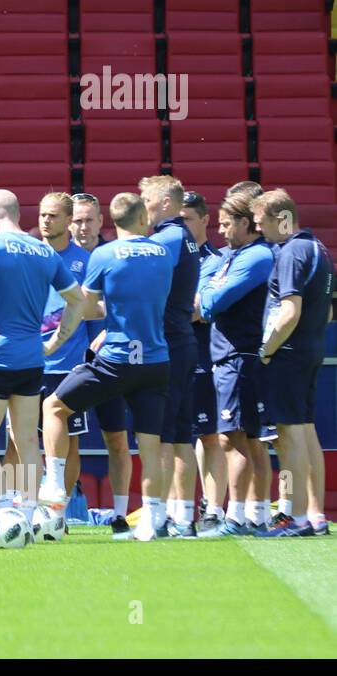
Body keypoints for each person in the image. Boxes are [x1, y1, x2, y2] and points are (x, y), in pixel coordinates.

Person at [41, 194, 175, 541]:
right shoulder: (163, 252)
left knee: (53, 406)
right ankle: (152, 520)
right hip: (156, 359)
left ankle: (54, 485)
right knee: (149, 444)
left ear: (110, 221)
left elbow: (86, 309)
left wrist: (103, 312)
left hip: (115, 359)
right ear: (144, 217)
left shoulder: (103, 255)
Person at [0, 190, 83, 540]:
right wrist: (55, 342)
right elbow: (76, 300)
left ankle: (3, 514)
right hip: (32, 359)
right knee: (28, 439)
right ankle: (27, 516)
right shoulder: (44, 250)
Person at [253, 190, 333, 537]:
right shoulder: (318, 248)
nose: (261, 232)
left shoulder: (290, 253)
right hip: (310, 349)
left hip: (287, 354)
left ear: (281, 218)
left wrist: (267, 349)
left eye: (263, 224)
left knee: (288, 437)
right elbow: (328, 309)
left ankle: (295, 516)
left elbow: (289, 312)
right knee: (305, 431)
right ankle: (314, 514)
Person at [195, 193, 274, 537]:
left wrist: (210, 293)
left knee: (234, 439)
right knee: (248, 438)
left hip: (239, 355)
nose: (221, 231)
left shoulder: (257, 256)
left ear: (245, 223)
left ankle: (237, 517)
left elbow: (213, 299)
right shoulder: (232, 256)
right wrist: (209, 292)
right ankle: (257, 515)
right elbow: (200, 290)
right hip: (230, 355)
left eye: (227, 224)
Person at [139, 176, 202, 538]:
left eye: (147, 198)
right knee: (179, 434)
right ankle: (183, 517)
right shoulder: (184, 237)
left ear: (164, 202)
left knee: (160, 433)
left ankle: (158, 518)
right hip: (182, 340)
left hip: (168, 344)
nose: (142, 204)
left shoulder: (167, 239)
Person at [71, 191, 133, 539]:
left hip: (113, 362)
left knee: (116, 439)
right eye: (77, 219)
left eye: (88, 219)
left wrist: (110, 332)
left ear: (101, 221)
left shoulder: (115, 257)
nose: (82, 226)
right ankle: (60, 513)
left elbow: (131, 304)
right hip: (71, 364)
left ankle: (121, 515)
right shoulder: (59, 258)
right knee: (67, 441)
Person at [34, 192, 91, 510]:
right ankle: (24, 509)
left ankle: (59, 512)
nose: (46, 220)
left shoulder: (84, 261)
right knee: (21, 441)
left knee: (70, 443)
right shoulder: (29, 255)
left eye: (54, 215)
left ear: (69, 220)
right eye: (43, 214)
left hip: (69, 366)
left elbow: (94, 309)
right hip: (29, 363)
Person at [180, 191, 227, 530]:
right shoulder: (169, 255)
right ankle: (179, 510)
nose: (181, 226)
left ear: (205, 220)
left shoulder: (218, 259)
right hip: (171, 355)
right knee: (177, 436)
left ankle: (213, 509)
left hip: (206, 356)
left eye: (187, 220)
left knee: (210, 435)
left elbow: (200, 311)